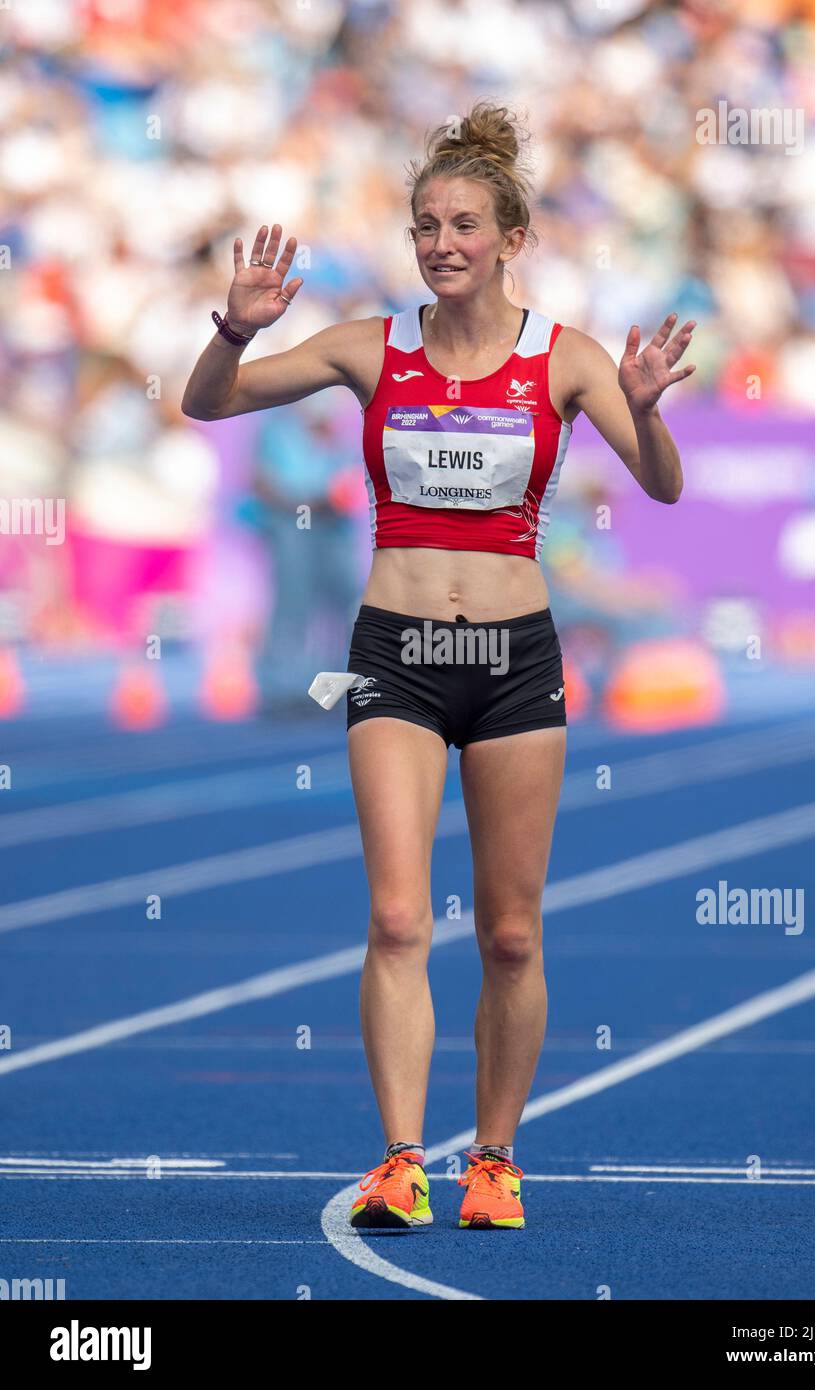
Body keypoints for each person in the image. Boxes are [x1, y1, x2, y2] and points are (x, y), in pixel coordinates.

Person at [182, 100, 695, 1231]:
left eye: (463, 223)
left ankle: (496, 1160)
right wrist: (235, 329)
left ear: (511, 238)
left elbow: (660, 483)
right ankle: (401, 1160)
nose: (441, 243)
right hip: (398, 656)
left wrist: (646, 415)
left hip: (512, 659)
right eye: (425, 225)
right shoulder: (371, 346)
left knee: (510, 931)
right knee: (399, 919)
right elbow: (204, 403)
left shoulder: (561, 359)